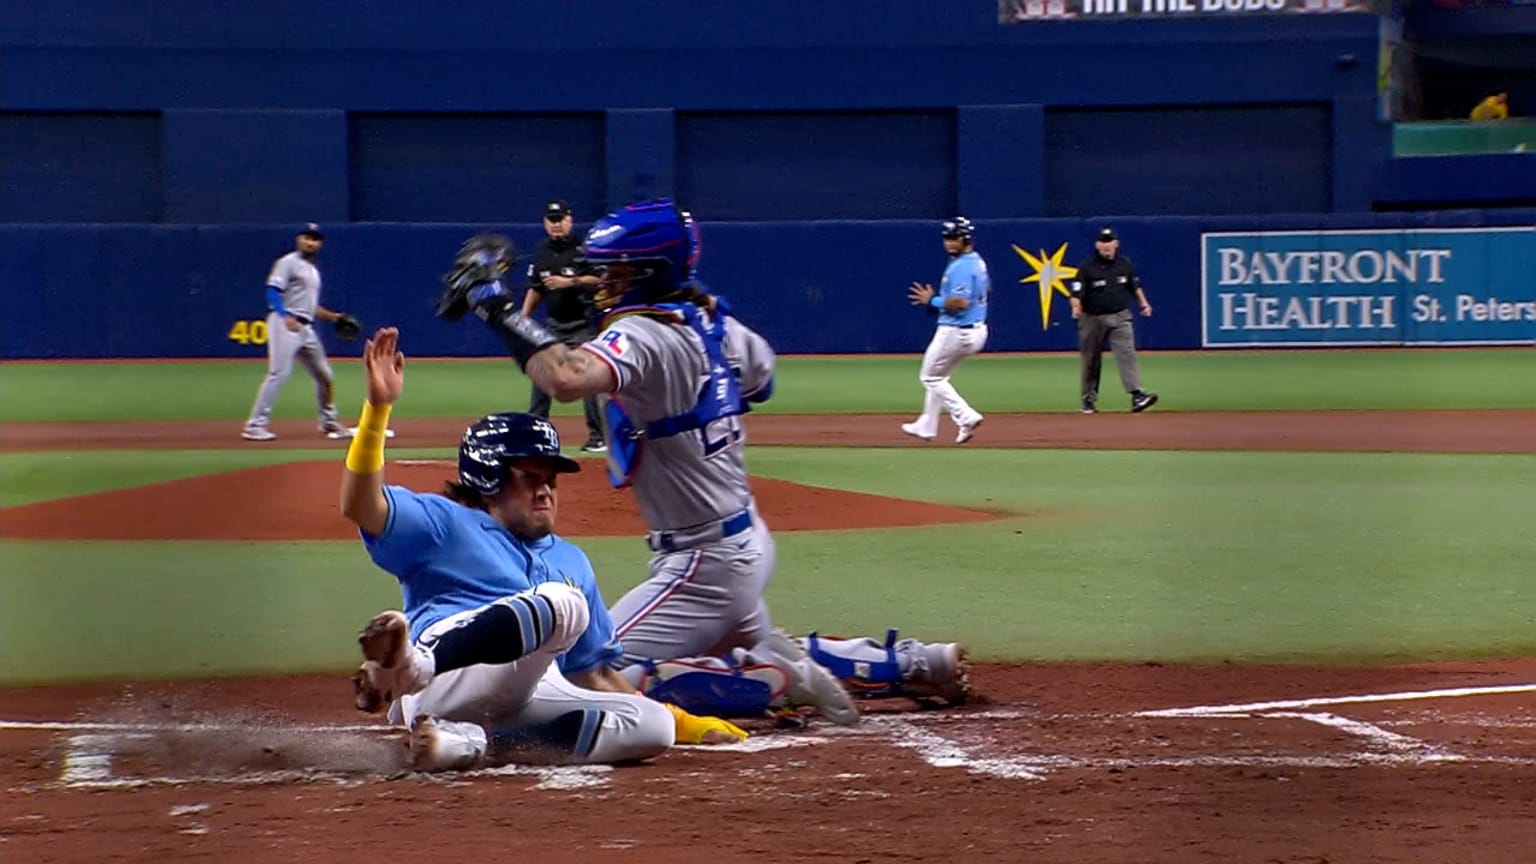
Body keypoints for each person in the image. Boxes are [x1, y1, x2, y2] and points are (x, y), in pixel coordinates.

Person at [433, 199, 970, 726]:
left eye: (618, 273)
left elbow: (566, 378)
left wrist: (494, 304)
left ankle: (766, 678)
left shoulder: (643, 333)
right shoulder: (716, 325)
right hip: (742, 539)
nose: (604, 284)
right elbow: (762, 378)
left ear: (650, 274)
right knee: (751, 632)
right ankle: (922, 663)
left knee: (578, 672)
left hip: (700, 562)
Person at [340, 327, 747, 771]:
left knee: (650, 725)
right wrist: (377, 410)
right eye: (530, 478)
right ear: (488, 479)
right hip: (444, 675)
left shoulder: (571, 559)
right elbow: (361, 504)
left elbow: (593, 673)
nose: (546, 491)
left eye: (551, 480)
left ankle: (472, 744)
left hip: (527, 687)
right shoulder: (446, 524)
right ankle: (411, 667)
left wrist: (683, 722)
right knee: (563, 602)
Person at [242, 223, 360, 442]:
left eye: (314, 239)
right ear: (299, 239)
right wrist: (284, 315)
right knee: (279, 373)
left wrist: (335, 317)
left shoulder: (313, 272)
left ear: (320, 244)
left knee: (325, 376)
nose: (310, 242)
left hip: (306, 327)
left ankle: (328, 422)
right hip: (284, 323)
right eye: (307, 237)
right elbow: (273, 290)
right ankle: (254, 425)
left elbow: (310, 307)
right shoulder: (288, 263)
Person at [521, 199, 607, 453]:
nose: (556, 225)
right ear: (545, 223)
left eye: (560, 220)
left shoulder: (585, 248)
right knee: (542, 376)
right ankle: (536, 432)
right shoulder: (541, 251)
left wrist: (571, 282)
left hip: (583, 323)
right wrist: (524, 317)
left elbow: (601, 280)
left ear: (570, 220)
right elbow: (537, 287)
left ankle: (598, 436)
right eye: (552, 220)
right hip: (555, 325)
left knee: (588, 379)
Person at [901, 216, 989, 445]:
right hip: (976, 329)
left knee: (929, 377)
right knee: (940, 377)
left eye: (954, 237)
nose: (949, 242)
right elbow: (987, 288)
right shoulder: (977, 262)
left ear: (965, 238)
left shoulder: (962, 266)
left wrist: (933, 300)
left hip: (956, 331)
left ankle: (965, 415)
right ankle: (927, 425)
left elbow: (960, 304)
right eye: (947, 237)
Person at [1068, 227, 1157, 415]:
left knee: (1127, 354)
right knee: (1091, 360)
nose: (1106, 245)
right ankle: (1088, 399)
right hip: (1093, 318)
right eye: (1103, 242)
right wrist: (1076, 307)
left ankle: (1137, 395)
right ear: (1097, 245)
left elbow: (1135, 286)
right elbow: (1076, 292)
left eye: (1109, 242)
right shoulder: (1087, 267)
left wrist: (1144, 304)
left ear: (1116, 244)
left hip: (1120, 316)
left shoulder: (1124, 264)